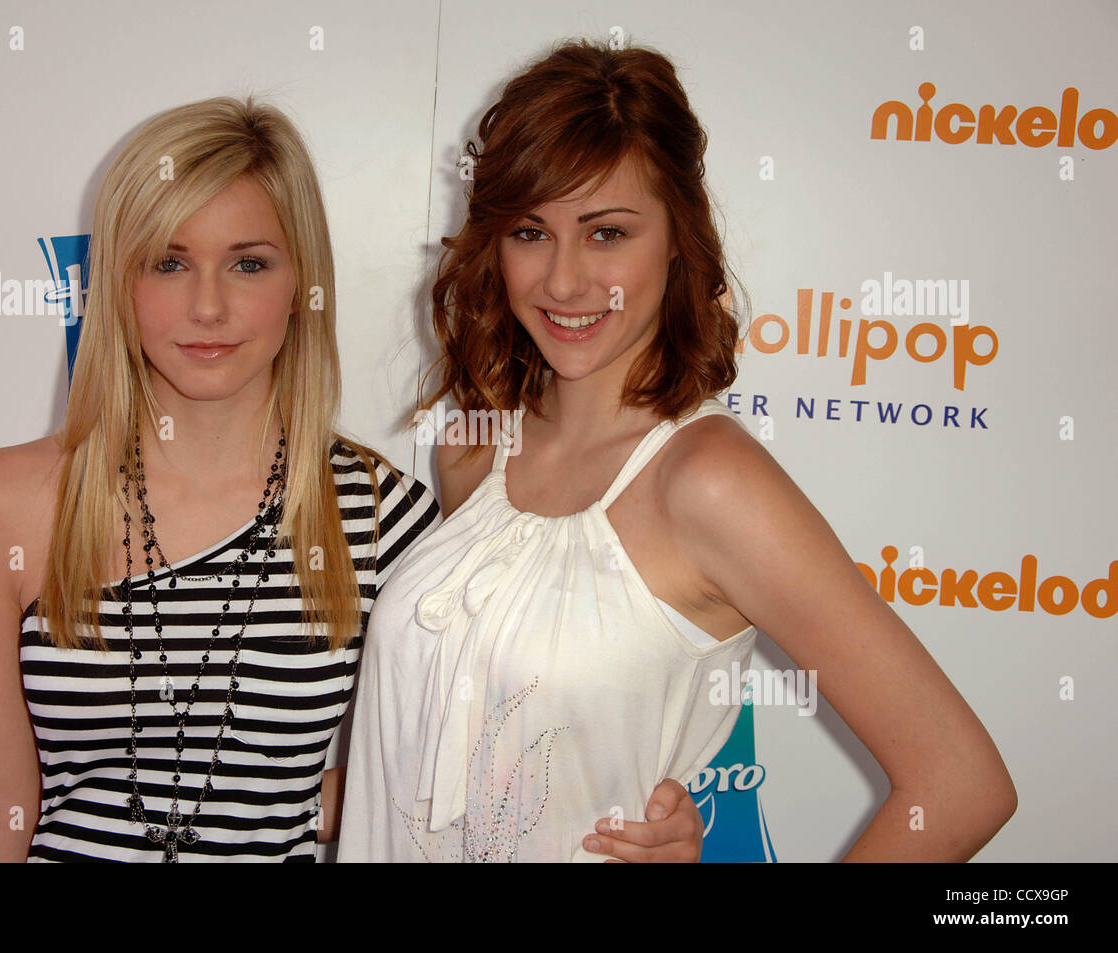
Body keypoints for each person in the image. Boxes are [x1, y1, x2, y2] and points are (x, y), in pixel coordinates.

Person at [0, 94, 699, 862]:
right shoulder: (4, 504)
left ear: (302, 280)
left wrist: (638, 816)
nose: (208, 306)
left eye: (248, 263)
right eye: (168, 262)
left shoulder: (382, 519)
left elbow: (470, 769)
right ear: (117, 280)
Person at [337, 40, 1017, 862]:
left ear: (675, 240)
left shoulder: (710, 482)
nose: (562, 281)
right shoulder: (473, 449)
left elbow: (958, 783)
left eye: (606, 232)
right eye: (530, 231)